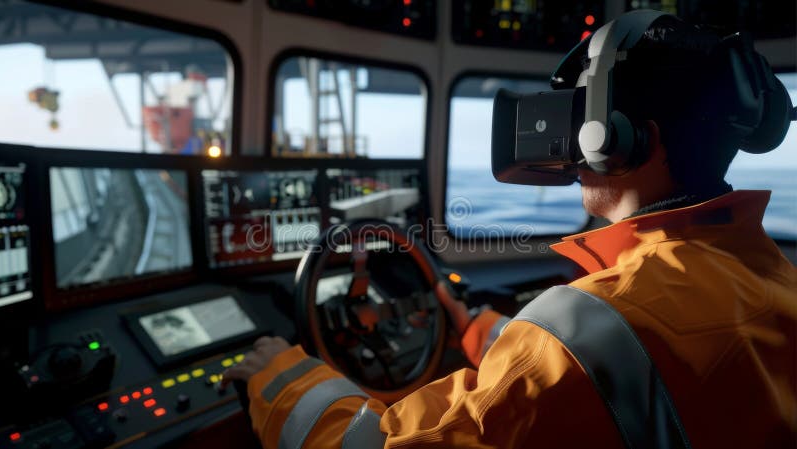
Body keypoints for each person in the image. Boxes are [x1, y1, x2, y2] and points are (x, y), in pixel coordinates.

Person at [222, 12, 797, 449]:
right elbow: (595, 372)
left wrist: (281, 377)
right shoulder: (771, 280)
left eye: (577, 110)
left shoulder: (588, 326)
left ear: (611, 135)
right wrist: (475, 329)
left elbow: (381, 442)